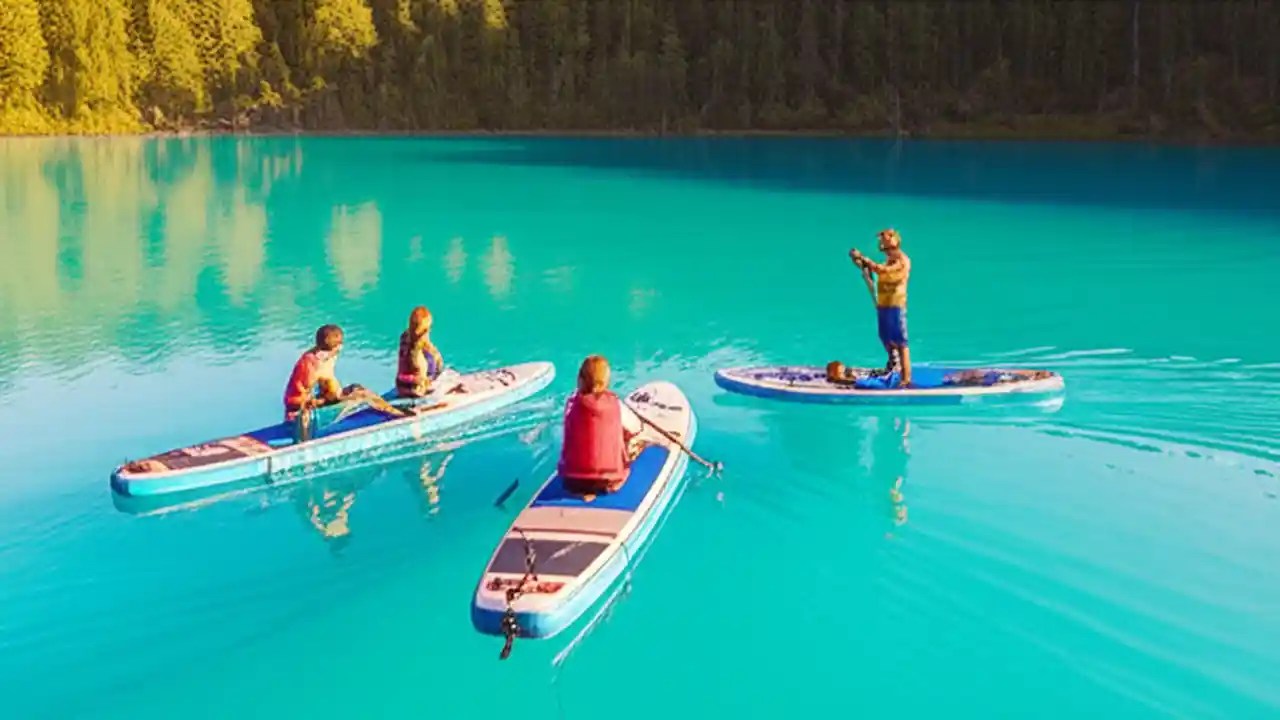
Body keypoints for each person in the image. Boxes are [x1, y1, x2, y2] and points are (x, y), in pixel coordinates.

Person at [558, 355, 644, 495]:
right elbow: (636, 429)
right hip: (608, 482)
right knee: (633, 442)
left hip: (571, 482)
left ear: (580, 379)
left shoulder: (572, 404)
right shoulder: (615, 403)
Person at [851, 228, 912, 387]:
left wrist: (865, 260)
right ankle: (893, 365)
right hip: (883, 305)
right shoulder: (889, 261)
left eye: (886, 248)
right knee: (885, 337)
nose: (885, 251)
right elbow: (876, 273)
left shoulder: (902, 262)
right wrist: (861, 263)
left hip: (896, 306)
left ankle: (906, 379)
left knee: (900, 341)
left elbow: (883, 271)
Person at [283, 324, 348, 423]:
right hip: (300, 408)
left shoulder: (330, 357)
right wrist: (320, 401)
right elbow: (292, 400)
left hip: (323, 397)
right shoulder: (310, 366)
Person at [396, 306, 445, 399]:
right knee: (432, 361)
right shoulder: (423, 346)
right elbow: (439, 364)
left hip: (401, 387)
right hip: (418, 390)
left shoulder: (404, 337)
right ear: (426, 329)